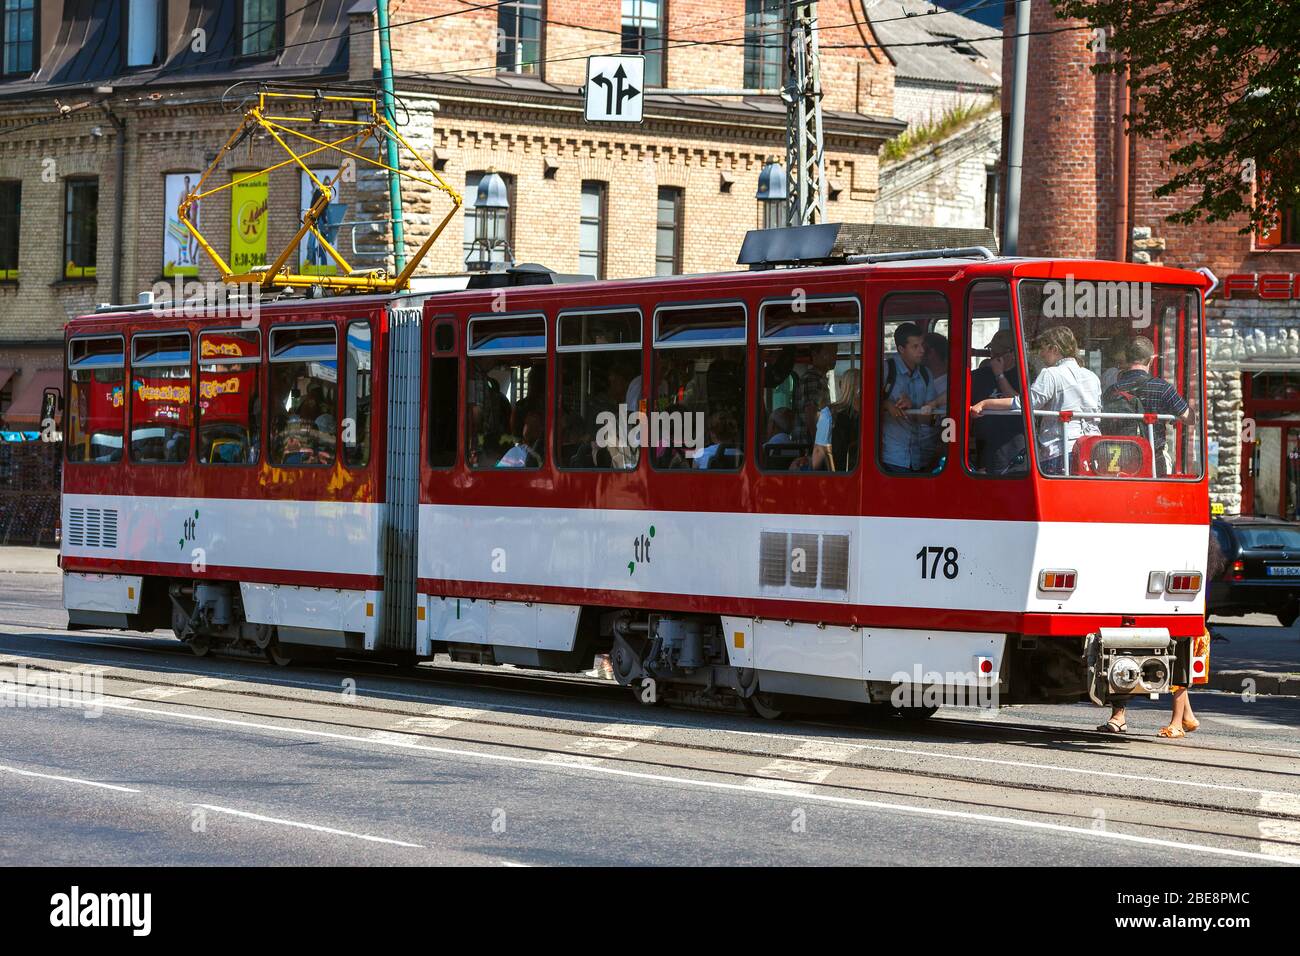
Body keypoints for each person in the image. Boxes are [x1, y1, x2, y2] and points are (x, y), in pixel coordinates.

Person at [971, 325, 1101, 474]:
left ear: (1054, 349)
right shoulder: (1092, 376)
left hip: (1060, 450)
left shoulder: (1051, 374)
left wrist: (985, 403)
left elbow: (1024, 404)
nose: (1041, 354)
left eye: (1043, 349)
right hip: (1091, 449)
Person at [1102, 335, 1190, 476]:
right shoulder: (1163, 388)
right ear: (1151, 359)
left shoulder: (1112, 390)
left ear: (1127, 358)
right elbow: (1189, 417)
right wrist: (1173, 416)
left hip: (1118, 461)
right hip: (1154, 460)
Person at [880, 322, 941, 473]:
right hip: (891, 458)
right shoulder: (885, 370)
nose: (921, 351)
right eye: (915, 346)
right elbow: (861, 403)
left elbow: (930, 420)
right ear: (901, 349)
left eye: (922, 345)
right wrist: (888, 405)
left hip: (919, 457)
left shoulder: (926, 374)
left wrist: (912, 408)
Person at [968, 329, 1028, 473]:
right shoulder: (979, 376)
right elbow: (954, 392)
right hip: (985, 449)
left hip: (1015, 452)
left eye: (997, 354)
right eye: (991, 352)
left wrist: (999, 375)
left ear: (1012, 353)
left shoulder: (1023, 376)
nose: (992, 357)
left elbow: (1019, 402)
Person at [811, 367, 861, 471]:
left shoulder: (829, 413)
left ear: (842, 386)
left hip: (835, 473)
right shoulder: (872, 416)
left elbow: (819, 452)